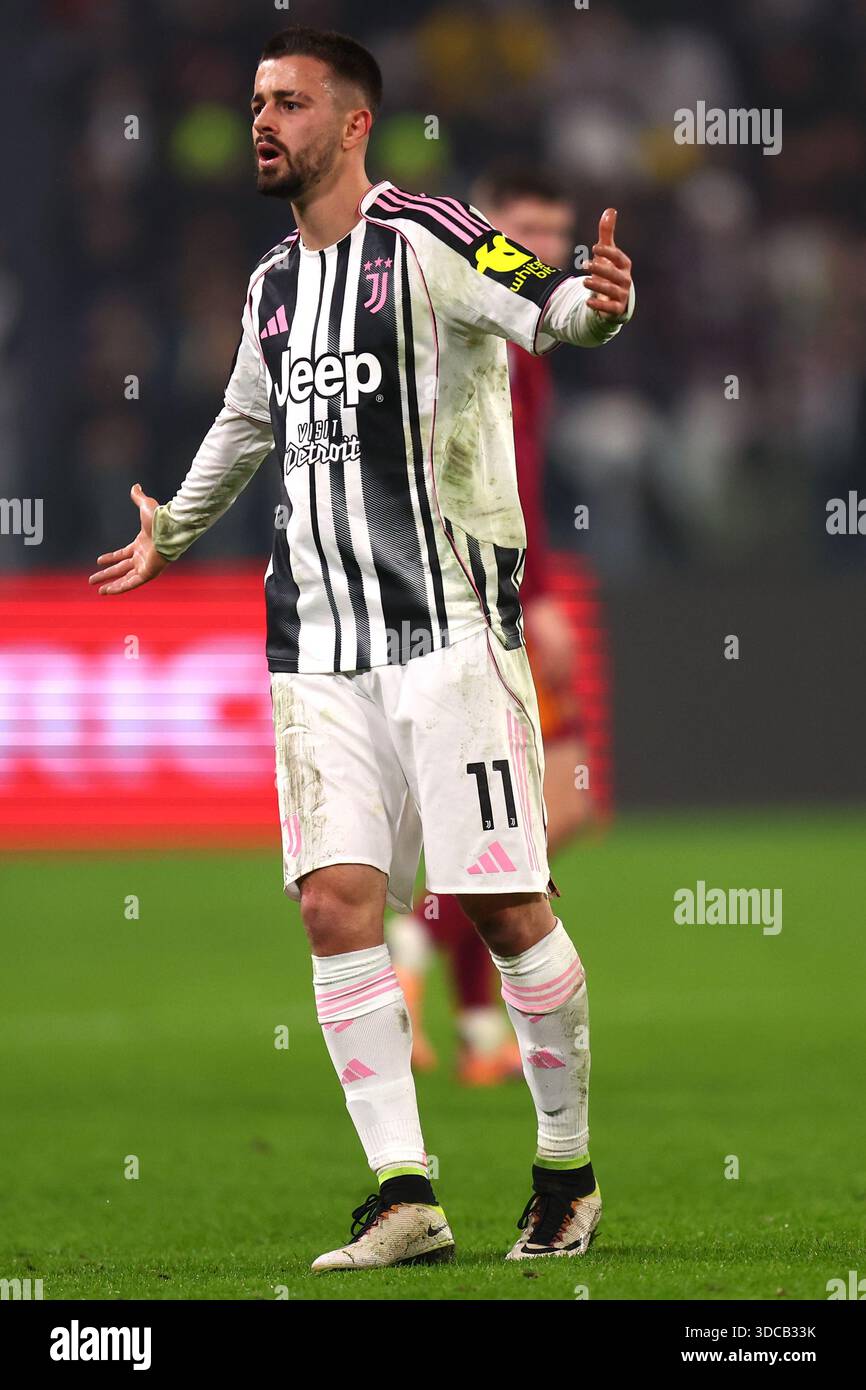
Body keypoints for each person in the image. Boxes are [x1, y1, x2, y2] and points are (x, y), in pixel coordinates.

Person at [89, 25, 635, 1270]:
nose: (262, 121)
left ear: (351, 123)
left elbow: (550, 312)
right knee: (334, 903)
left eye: (287, 102)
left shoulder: (431, 235)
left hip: (445, 632)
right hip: (315, 650)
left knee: (503, 906)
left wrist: (601, 305)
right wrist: (176, 526)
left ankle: (566, 1172)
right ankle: (405, 1191)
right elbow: (245, 414)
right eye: (254, 101)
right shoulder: (270, 282)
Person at [389, 166, 612, 1086]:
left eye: (557, 237)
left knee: (516, 819)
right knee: (543, 815)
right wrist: (544, 594)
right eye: (525, 232)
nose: (545, 253)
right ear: (480, 231)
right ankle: (420, 947)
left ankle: (477, 1024)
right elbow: (499, 486)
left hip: (467, 596)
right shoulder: (480, 329)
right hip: (490, 602)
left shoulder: (513, 338)